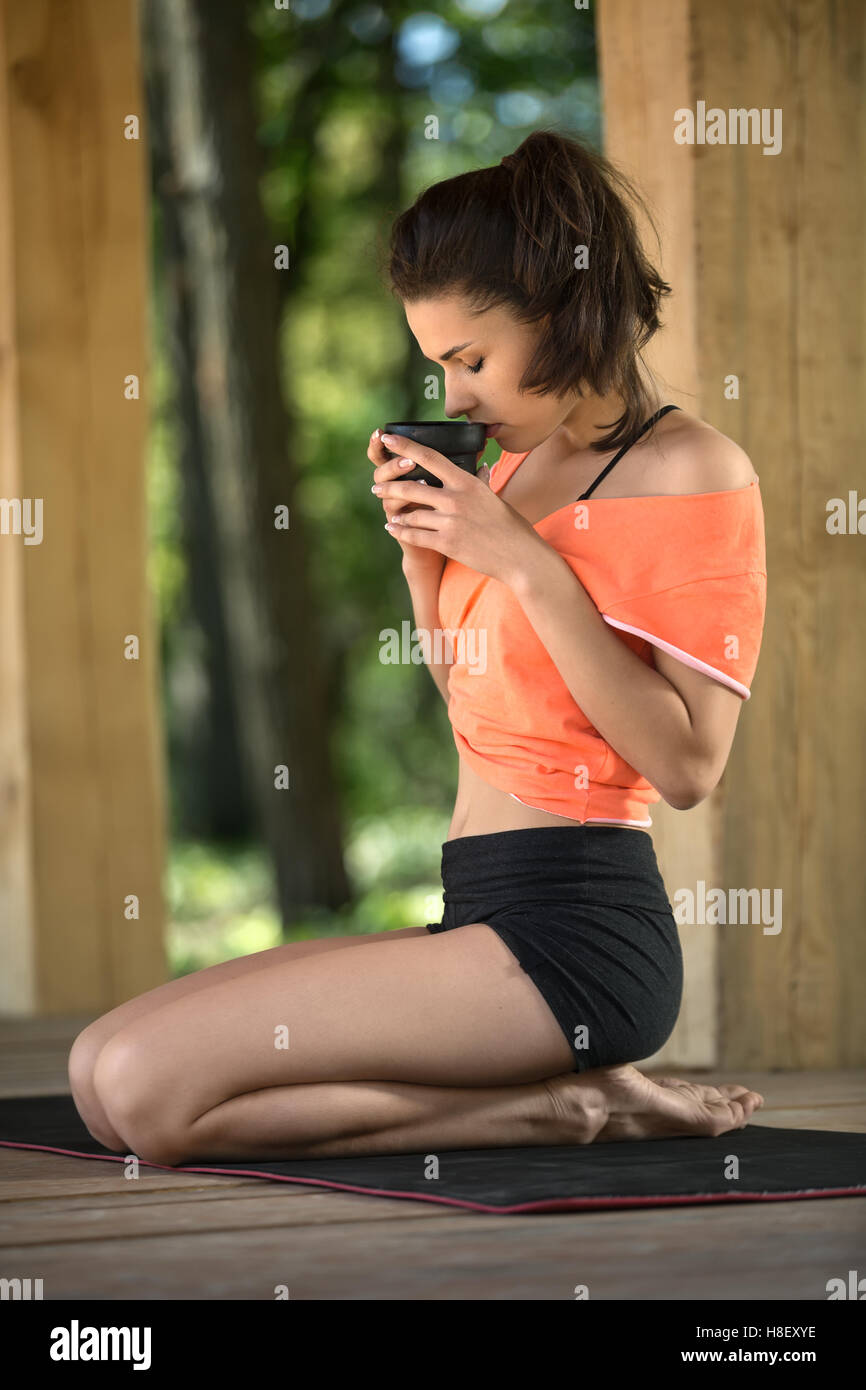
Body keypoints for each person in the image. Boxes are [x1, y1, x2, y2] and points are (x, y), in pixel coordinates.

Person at [68, 130, 766, 1168]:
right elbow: (476, 708)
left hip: (578, 937)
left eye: (469, 359)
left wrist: (520, 562)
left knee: (149, 1095)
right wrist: (424, 560)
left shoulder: (688, 468)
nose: (453, 398)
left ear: (565, 311)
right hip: (480, 909)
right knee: (94, 1071)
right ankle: (575, 1095)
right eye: (437, 365)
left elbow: (686, 767)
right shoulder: (514, 476)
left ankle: (559, 1107)